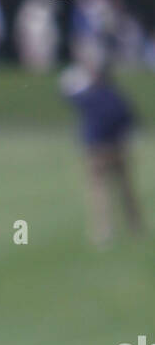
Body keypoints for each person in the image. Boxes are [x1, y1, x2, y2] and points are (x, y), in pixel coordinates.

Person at [59, 59, 144, 246]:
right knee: (126, 190)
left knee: (99, 192)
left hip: (96, 150)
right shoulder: (118, 97)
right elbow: (131, 120)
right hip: (118, 148)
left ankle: (104, 232)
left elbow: (69, 96)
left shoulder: (90, 97)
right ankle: (135, 226)